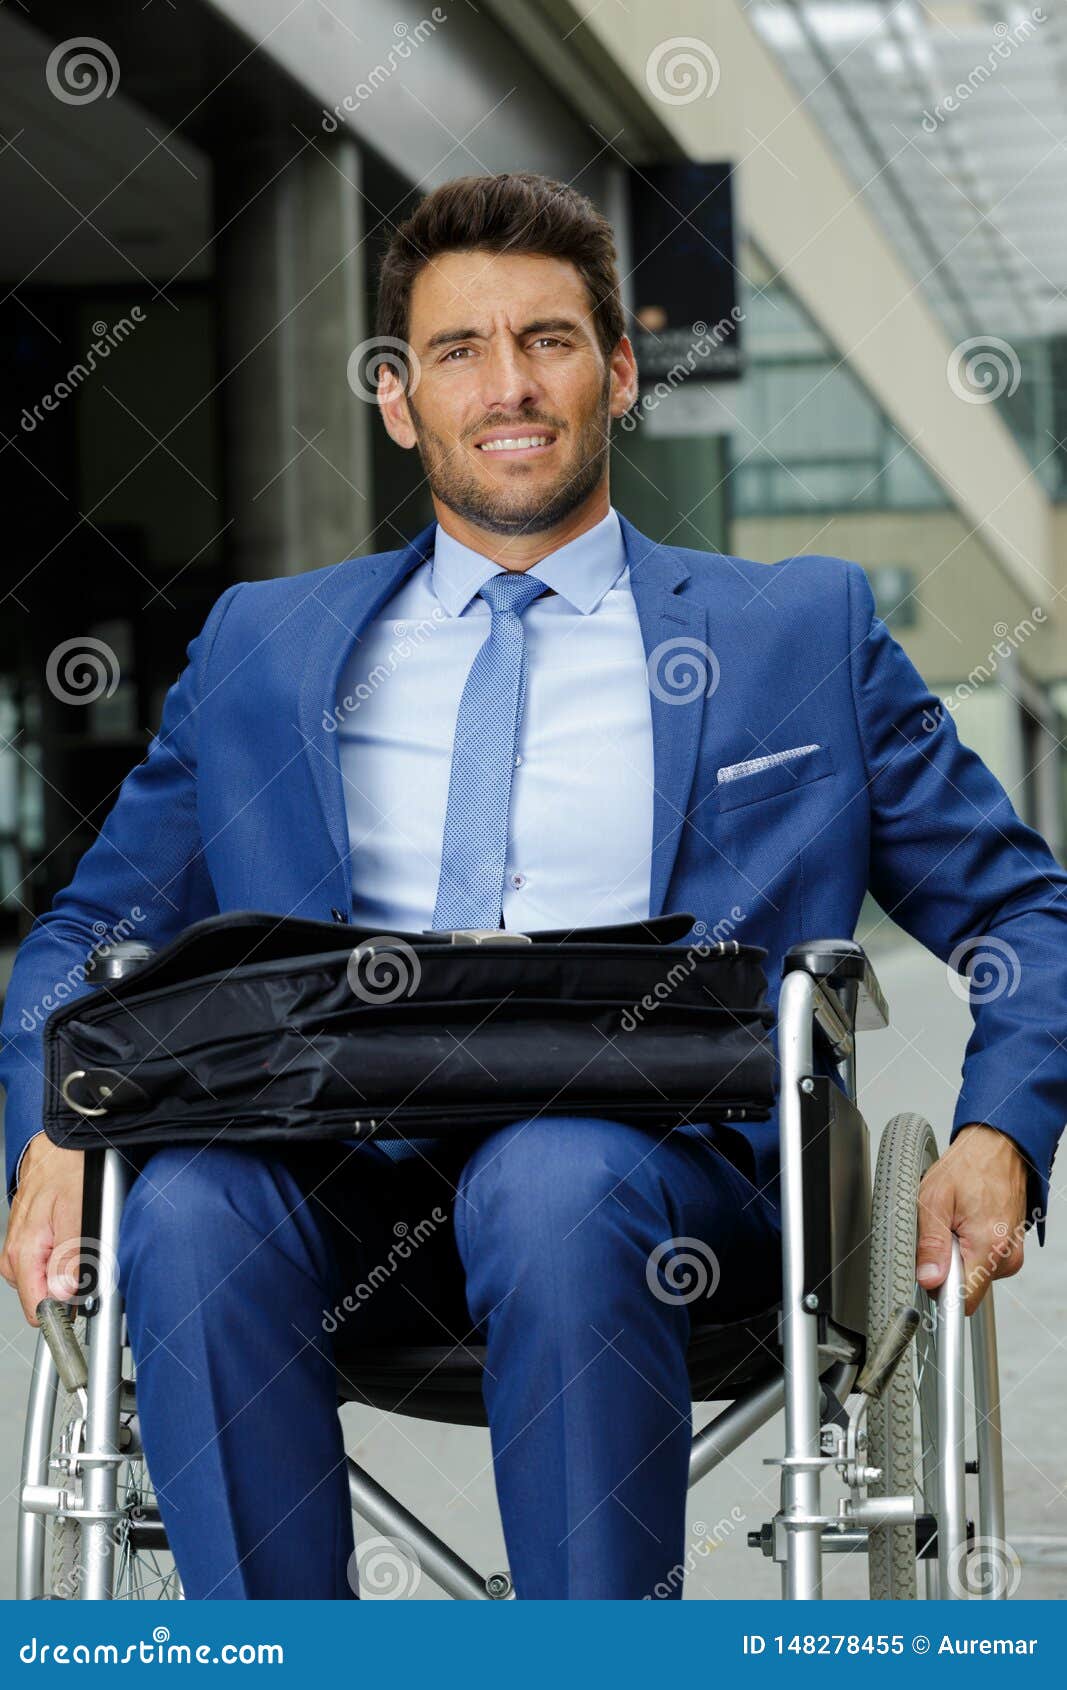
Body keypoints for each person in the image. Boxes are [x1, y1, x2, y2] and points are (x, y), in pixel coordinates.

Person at [1, 172, 1062, 1600]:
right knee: (186, 1204)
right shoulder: (263, 649)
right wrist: (55, 1123)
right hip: (333, 1178)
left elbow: (1019, 911)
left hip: (671, 1188)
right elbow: (89, 928)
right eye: (458, 349)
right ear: (398, 400)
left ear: (618, 373)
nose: (507, 384)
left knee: (550, 1173)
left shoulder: (797, 634)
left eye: (548, 340)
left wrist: (999, 1134)